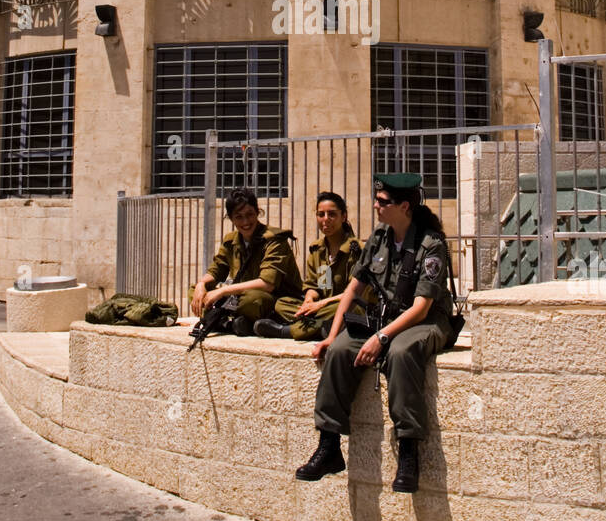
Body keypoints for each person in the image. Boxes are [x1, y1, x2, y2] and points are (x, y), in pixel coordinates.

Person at [295, 172, 454, 493]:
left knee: (400, 351)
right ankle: (329, 447)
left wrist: (381, 338)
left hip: (425, 322)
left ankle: (409, 452)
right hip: (387, 318)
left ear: (404, 206)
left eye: (383, 202)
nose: (376, 206)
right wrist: (331, 336)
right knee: (340, 350)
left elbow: (421, 308)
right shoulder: (380, 237)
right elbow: (353, 291)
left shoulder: (430, 244)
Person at [189, 187, 304, 336]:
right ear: (230, 218)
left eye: (250, 215)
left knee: (251, 300)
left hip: (274, 299)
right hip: (240, 295)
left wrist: (223, 291)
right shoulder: (231, 241)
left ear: (257, 212)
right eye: (239, 217)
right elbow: (217, 269)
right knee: (195, 291)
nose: (246, 222)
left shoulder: (274, 240)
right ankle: (237, 323)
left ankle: (231, 322)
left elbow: (267, 284)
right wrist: (201, 285)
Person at [253, 191, 363, 340]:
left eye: (332, 214)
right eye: (321, 214)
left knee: (351, 309)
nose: (326, 220)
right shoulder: (317, 250)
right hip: (322, 308)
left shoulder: (356, 250)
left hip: (345, 305)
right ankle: (323, 327)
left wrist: (319, 305)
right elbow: (313, 286)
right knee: (282, 303)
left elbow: (355, 292)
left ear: (343, 217)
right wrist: (309, 300)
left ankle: (287, 331)